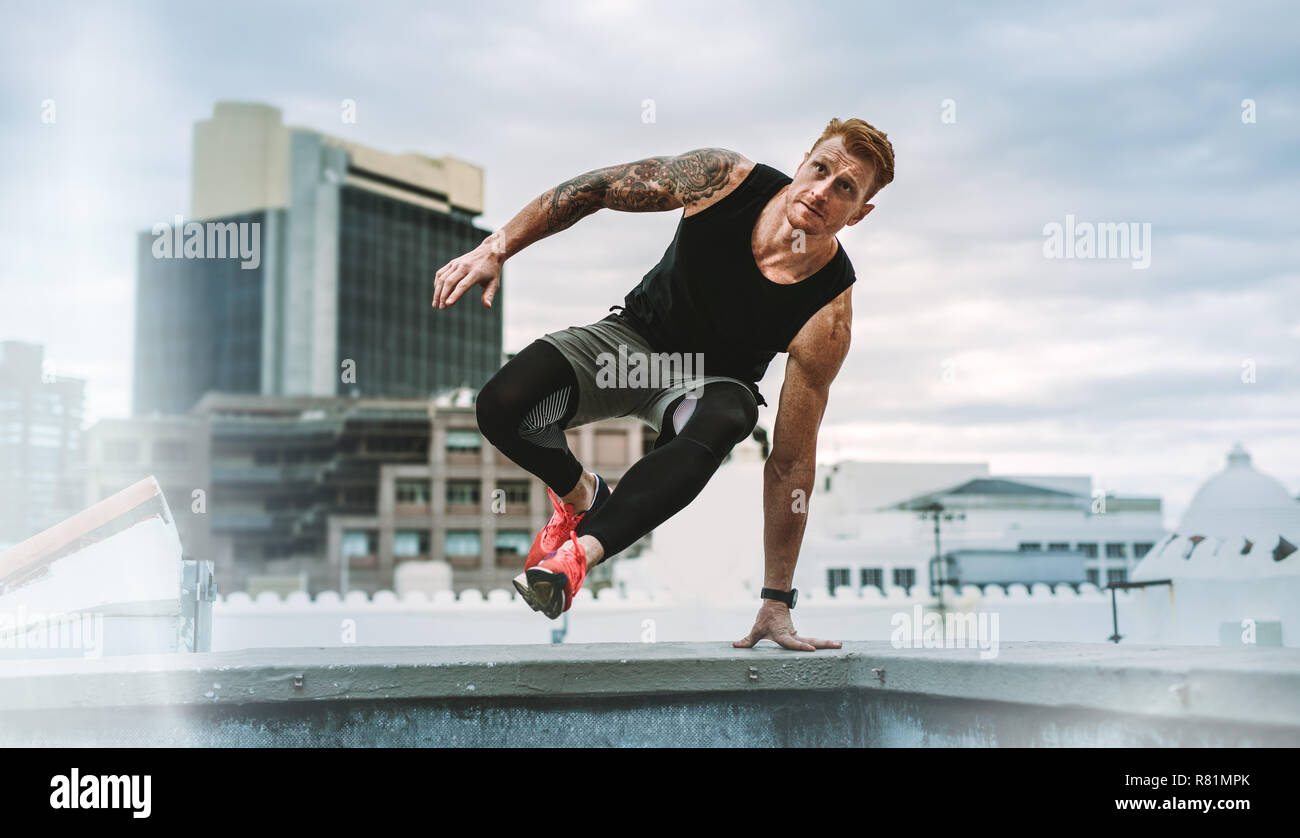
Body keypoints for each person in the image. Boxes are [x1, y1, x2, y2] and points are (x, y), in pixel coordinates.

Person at [432, 118, 894, 651]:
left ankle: (579, 556)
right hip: (632, 346)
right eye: (820, 169)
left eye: (844, 189)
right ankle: (581, 493)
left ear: (859, 213)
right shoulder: (722, 179)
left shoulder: (828, 310)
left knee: (729, 416)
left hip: (709, 386)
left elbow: (791, 462)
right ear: (802, 162)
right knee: (501, 405)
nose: (820, 192)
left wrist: (775, 600)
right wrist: (497, 247)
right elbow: (598, 188)